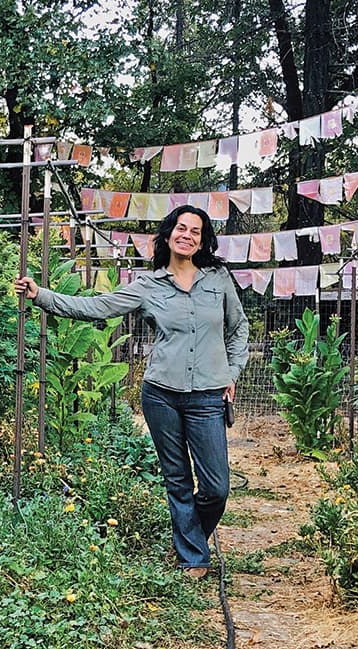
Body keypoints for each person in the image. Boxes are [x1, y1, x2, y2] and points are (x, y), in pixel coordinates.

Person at [15, 205, 249, 579]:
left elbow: (239, 330)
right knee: (176, 479)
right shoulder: (148, 286)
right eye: (181, 228)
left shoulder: (218, 278)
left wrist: (232, 372)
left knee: (217, 486)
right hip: (161, 394)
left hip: (208, 395)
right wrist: (41, 295)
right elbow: (96, 307)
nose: (186, 235)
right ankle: (193, 557)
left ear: (203, 240)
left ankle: (191, 538)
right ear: (169, 233)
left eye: (195, 231)